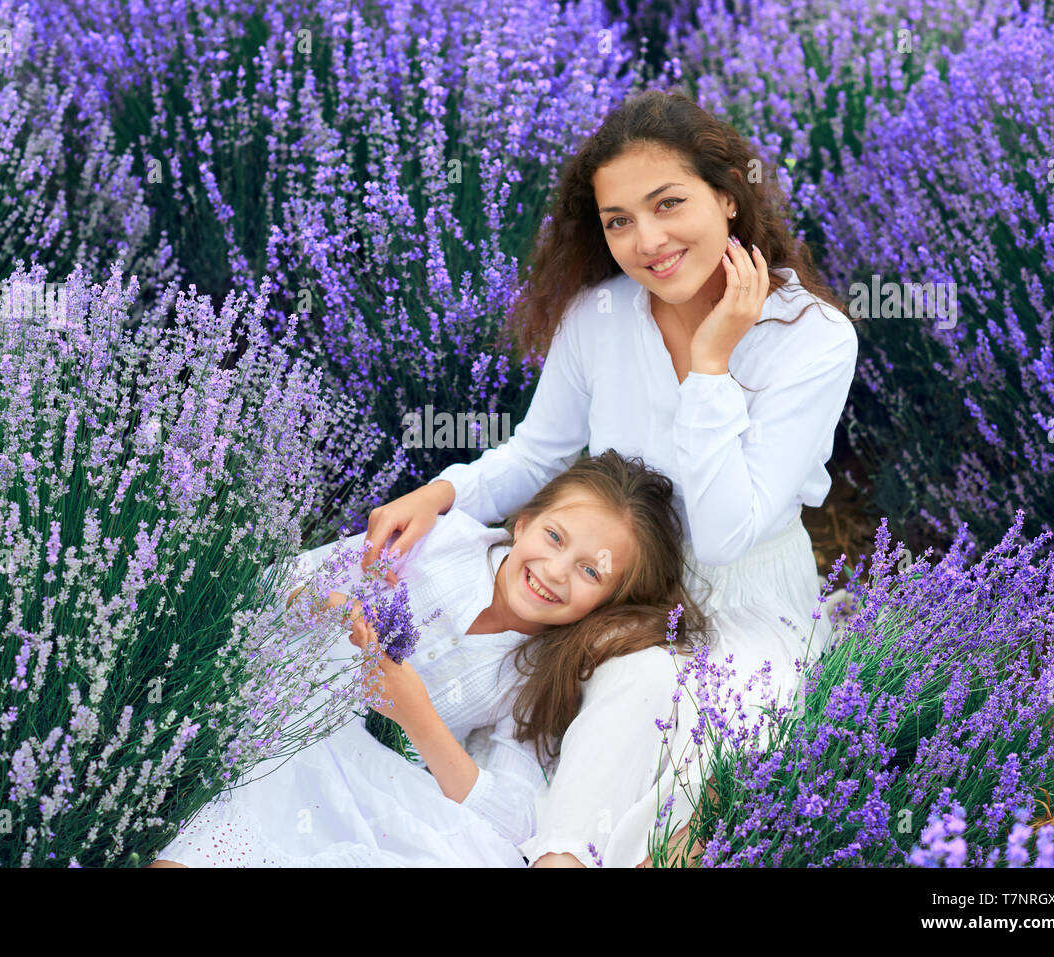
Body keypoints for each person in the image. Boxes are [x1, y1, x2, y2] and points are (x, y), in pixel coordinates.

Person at [358, 89, 859, 867]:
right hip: (603, 577)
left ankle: (562, 858)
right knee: (439, 590)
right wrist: (440, 492)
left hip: (746, 604)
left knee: (648, 697)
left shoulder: (812, 337)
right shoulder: (599, 316)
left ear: (728, 197)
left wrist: (712, 364)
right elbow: (537, 456)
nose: (646, 240)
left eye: (668, 205)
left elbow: (727, 533)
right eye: (618, 220)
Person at [147, 450, 706, 867]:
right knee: (241, 809)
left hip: (365, 767)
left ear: (607, 604)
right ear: (523, 523)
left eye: (591, 571)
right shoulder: (440, 541)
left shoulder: (539, 673)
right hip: (279, 711)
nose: (556, 571)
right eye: (555, 537)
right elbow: (277, 587)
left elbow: (517, 818)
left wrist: (419, 719)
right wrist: (325, 604)